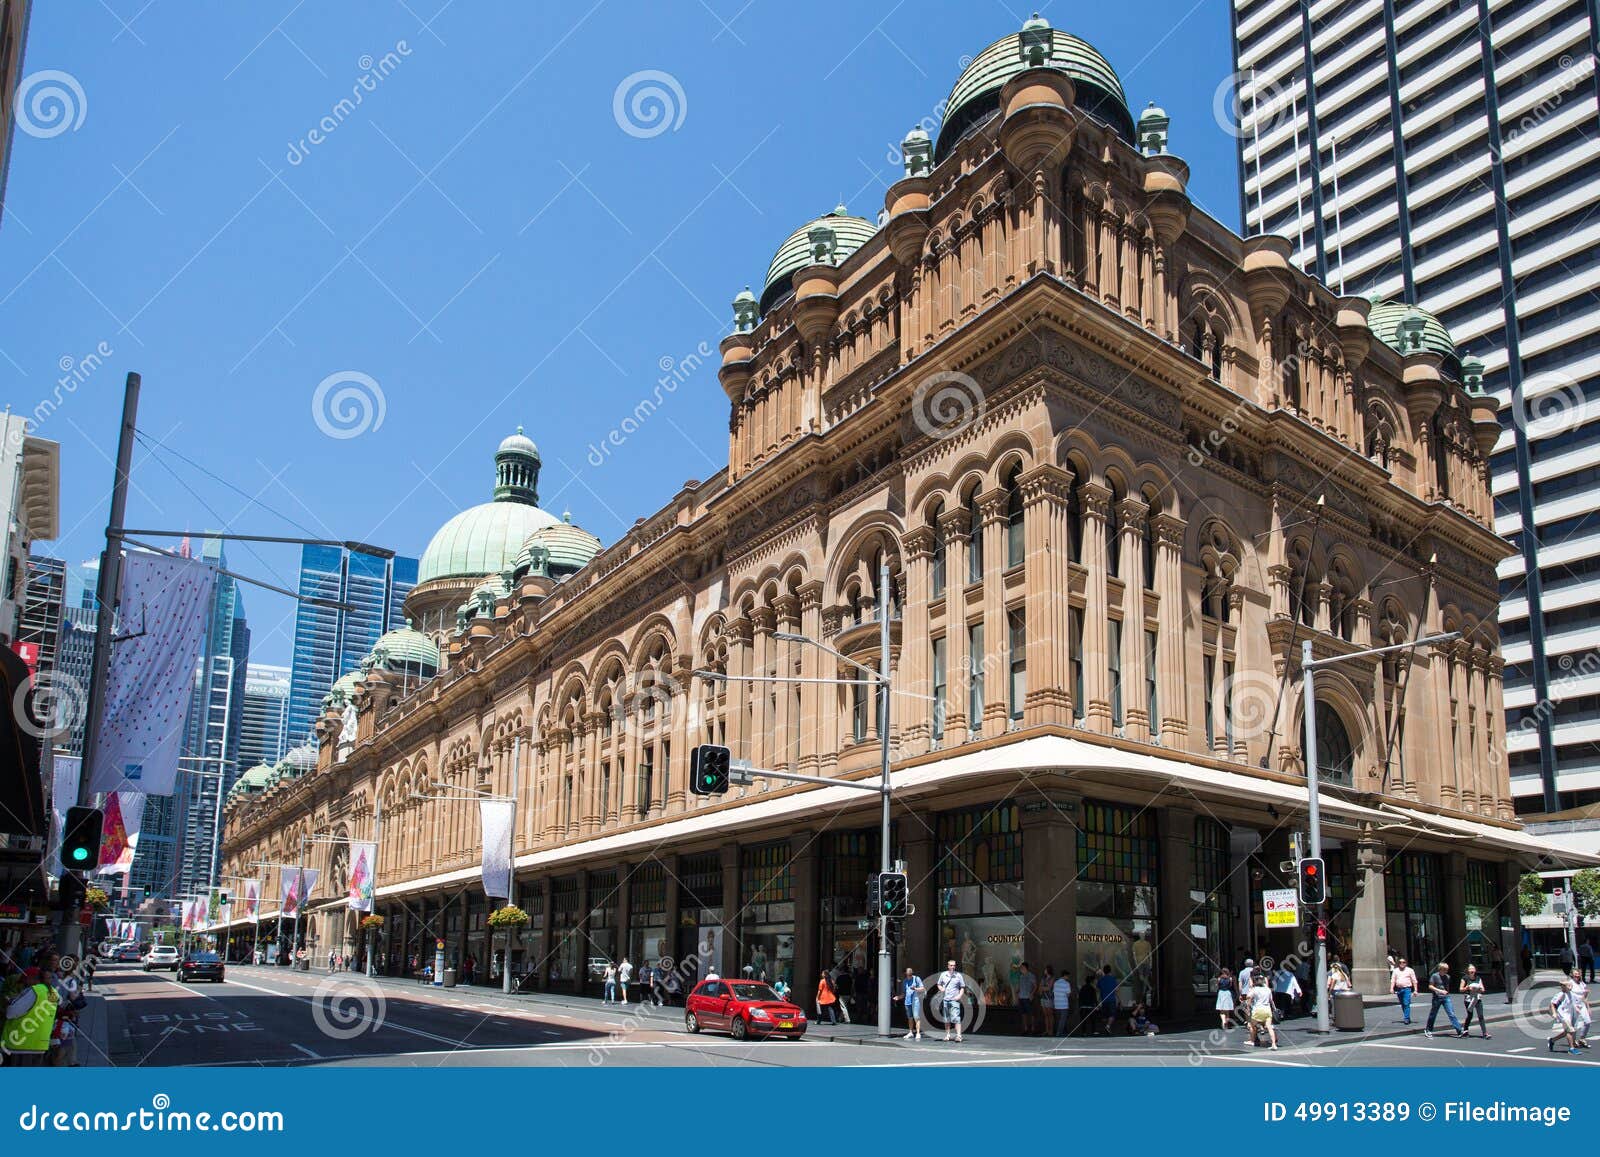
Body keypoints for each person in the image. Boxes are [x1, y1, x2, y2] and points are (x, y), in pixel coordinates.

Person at [1424, 961, 1465, 1038]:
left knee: (1451, 1013)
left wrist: (1446, 993)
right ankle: (1428, 1029)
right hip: (1437, 997)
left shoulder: (1447, 977)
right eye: (1445, 969)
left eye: (1447, 969)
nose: (1447, 971)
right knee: (1433, 1014)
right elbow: (1430, 986)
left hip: (1446, 997)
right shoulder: (1434, 976)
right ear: (1441, 969)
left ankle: (1459, 1030)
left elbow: (1446, 987)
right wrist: (1440, 991)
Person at [934, 960, 966, 1043]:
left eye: (954, 965)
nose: (953, 967)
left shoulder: (958, 975)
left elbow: (962, 987)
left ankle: (959, 1036)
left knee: (956, 1018)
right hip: (945, 999)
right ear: (948, 966)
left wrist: (959, 996)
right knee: (946, 1019)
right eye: (951, 965)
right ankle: (947, 1035)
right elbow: (938, 984)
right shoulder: (943, 975)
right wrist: (941, 988)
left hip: (954, 1000)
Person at [1246, 971, 1279, 1050]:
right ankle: (1274, 1044)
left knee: (1251, 1025)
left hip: (1257, 1010)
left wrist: (1248, 1006)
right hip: (1267, 1010)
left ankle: (1252, 1040)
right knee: (1269, 1027)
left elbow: (1248, 997)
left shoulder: (1255, 989)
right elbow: (1271, 1001)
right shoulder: (1268, 990)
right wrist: (1274, 1009)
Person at [1459, 964, 1489, 1039]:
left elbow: (1483, 989)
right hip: (1468, 999)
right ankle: (1465, 1030)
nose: (1472, 971)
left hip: (1477, 998)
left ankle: (1485, 1033)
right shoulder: (1464, 978)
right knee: (1470, 1015)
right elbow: (1461, 989)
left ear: (1475, 970)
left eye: (1473, 969)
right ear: (1468, 971)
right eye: (1470, 969)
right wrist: (1467, 988)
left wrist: (1478, 989)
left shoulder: (1478, 978)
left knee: (1480, 1015)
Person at [1567, 966, 1591, 1048]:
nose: (1577, 976)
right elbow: (1567, 995)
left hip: (1582, 1005)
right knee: (1575, 1025)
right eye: (1575, 974)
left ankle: (1582, 1038)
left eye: (1578, 974)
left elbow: (1585, 997)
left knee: (1587, 1022)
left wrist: (1588, 1007)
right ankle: (1573, 1042)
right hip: (1574, 1006)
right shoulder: (1570, 983)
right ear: (1572, 975)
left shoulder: (1582, 983)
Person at [1390, 956, 1418, 1025]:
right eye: (1400, 962)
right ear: (1398, 963)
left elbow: (1414, 980)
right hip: (1399, 989)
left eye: (1403, 962)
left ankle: (1406, 1018)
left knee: (1406, 1003)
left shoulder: (1410, 970)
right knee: (1402, 1004)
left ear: (1406, 963)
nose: (1402, 963)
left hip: (1407, 989)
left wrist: (1415, 990)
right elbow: (1393, 980)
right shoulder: (1395, 970)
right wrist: (1391, 988)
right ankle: (1407, 1017)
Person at [901, 967, 925, 1041]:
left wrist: (915, 989)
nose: (909, 975)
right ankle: (911, 1032)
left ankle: (918, 1033)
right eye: (907, 974)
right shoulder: (905, 981)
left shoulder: (916, 979)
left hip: (915, 1001)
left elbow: (923, 988)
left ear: (912, 973)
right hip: (907, 1002)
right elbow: (904, 993)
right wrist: (899, 997)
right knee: (910, 1017)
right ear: (906, 974)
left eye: (910, 974)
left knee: (916, 1016)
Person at [1095, 965, 1120, 1036]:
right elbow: (1116, 990)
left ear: (1104, 971)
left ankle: (1105, 1027)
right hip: (1112, 1000)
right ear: (1110, 971)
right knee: (1112, 1015)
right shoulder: (1113, 979)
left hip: (1104, 1000)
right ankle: (1108, 1026)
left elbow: (1097, 989)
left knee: (1104, 1016)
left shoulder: (1101, 980)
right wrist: (1119, 1000)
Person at [1015, 962, 1037, 1036]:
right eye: (1020, 968)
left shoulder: (1031, 976)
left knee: (1031, 1014)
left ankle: (1033, 1029)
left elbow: (1035, 986)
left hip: (1028, 997)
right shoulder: (1021, 976)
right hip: (1021, 997)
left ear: (1025, 968)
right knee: (1023, 1014)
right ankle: (1025, 1028)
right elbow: (1019, 986)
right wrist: (1017, 992)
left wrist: (1032, 994)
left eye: (1022, 967)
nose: (1021, 969)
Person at [1052, 970, 1073, 1038]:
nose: (1068, 978)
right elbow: (1068, 995)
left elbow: (1053, 993)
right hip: (1064, 1004)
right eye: (1068, 976)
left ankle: (1061, 1031)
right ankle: (1059, 1033)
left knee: (1058, 1019)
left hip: (1057, 1004)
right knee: (1063, 1019)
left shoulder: (1055, 983)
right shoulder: (1067, 984)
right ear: (1065, 976)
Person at [1039, 966, 1056, 1037]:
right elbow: (1039, 987)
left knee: (1050, 1015)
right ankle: (1046, 1030)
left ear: (1048, 970)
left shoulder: (1052, 978)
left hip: (1049, 998)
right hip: (1043, 998)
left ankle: (1051, 1031)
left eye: (1045, 969)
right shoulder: (1043, 978)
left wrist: (1042, 988)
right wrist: (1043, 988)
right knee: (1045, 1015)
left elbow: (1049, 988)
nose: (1044, 970)